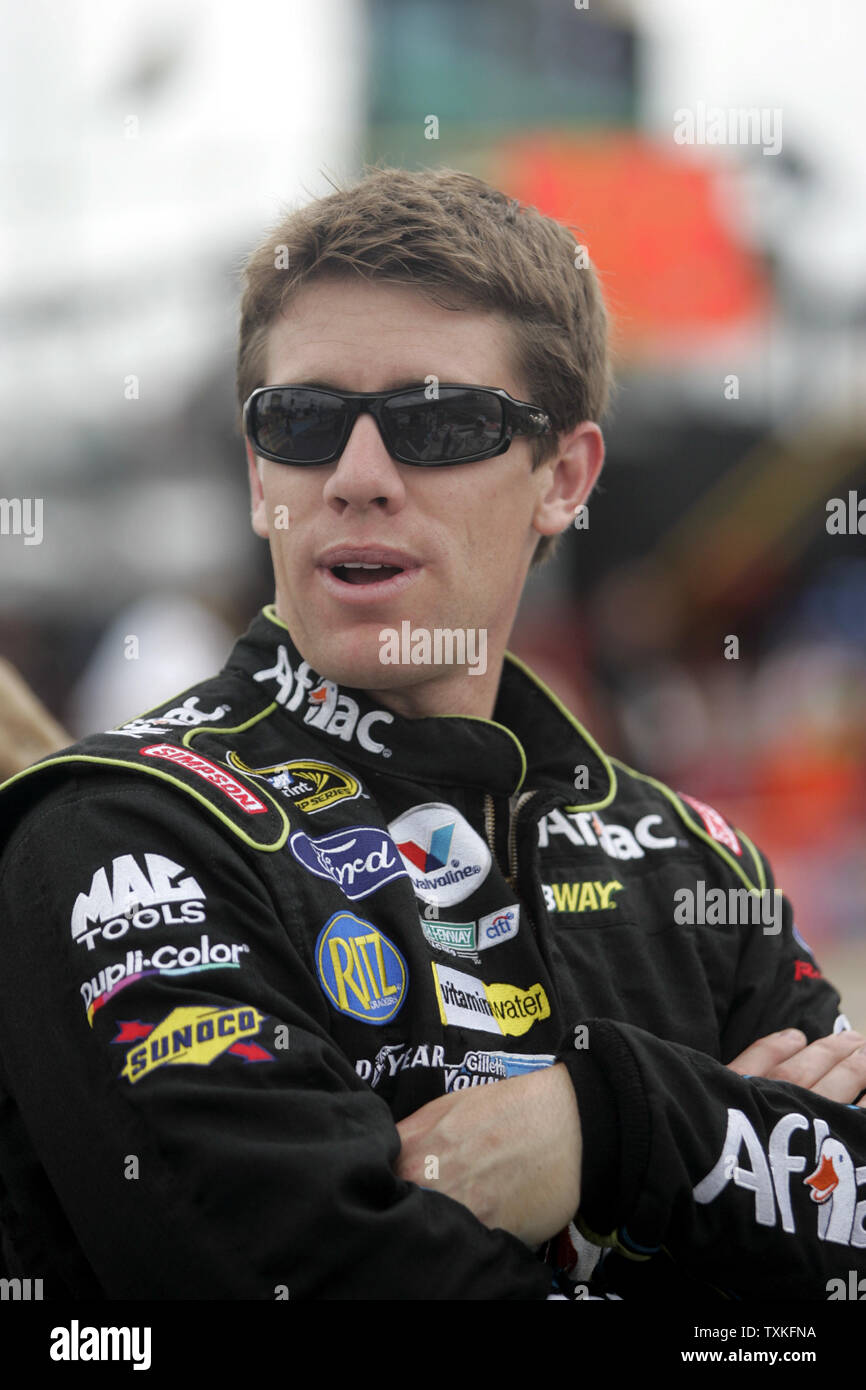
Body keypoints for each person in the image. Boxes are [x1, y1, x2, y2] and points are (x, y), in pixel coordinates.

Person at [0, 164, 864, 1301]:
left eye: (435, 424)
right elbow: (306, 1285)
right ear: (259, 470)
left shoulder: (691, 865)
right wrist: (712, 1171)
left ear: (561, 476)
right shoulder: (121, 833)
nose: (356, 478)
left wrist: (605, 1130)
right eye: (302, 424)